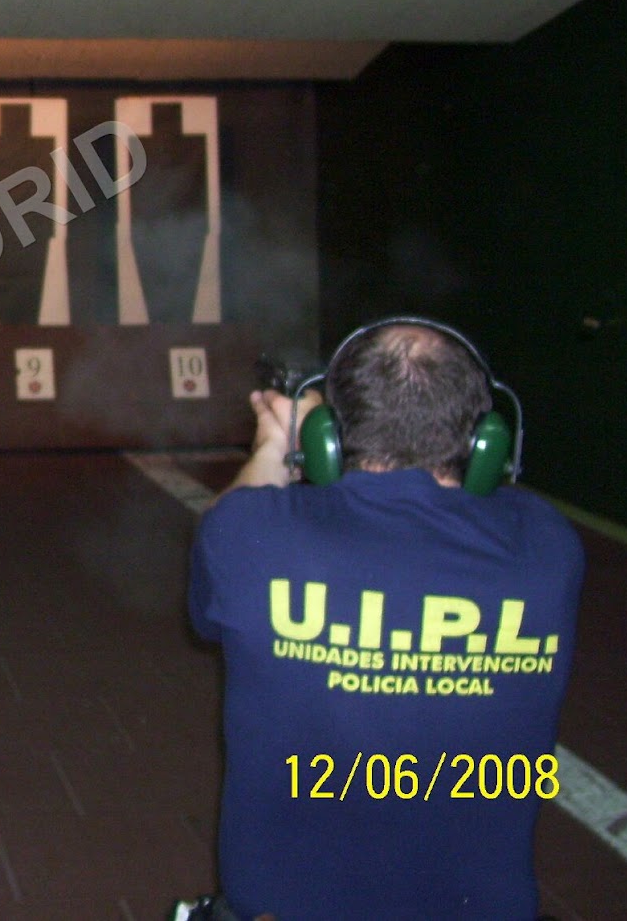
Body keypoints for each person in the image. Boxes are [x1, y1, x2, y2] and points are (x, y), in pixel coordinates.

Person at [187, 319, 583, 920]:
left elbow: (212, 586)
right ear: (487, 442)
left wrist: (273, 449)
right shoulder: (547, 546)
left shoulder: (248, 532)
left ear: (326, 437)